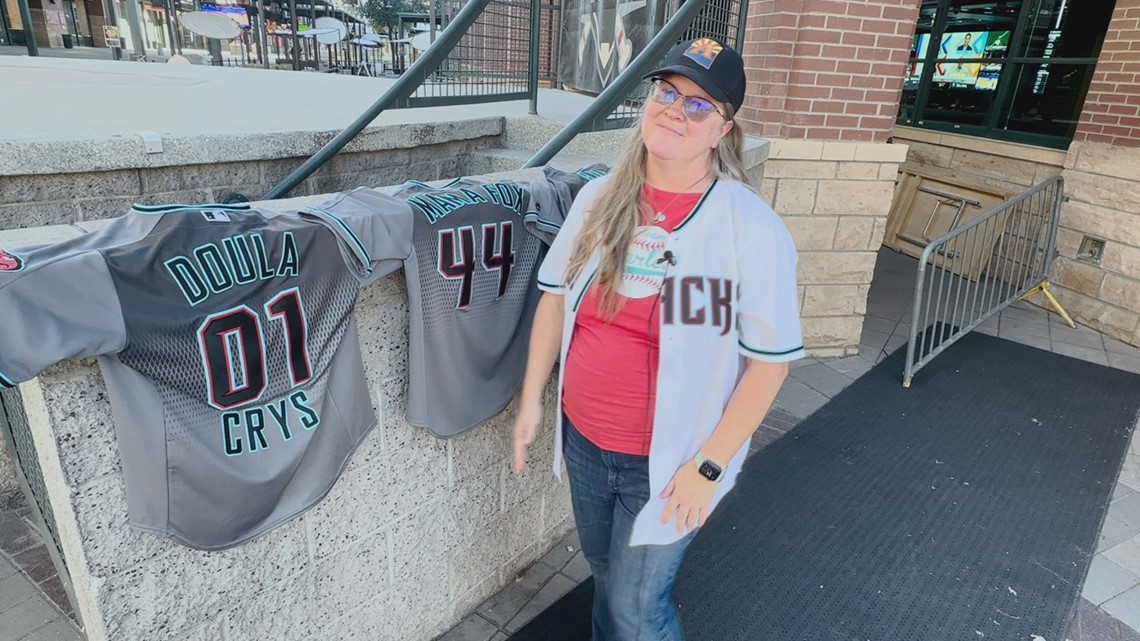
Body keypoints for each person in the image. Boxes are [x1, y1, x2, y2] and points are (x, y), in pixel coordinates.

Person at [511, 37, 805, 641]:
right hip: (586, 443)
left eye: (699, 105)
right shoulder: (599, 199)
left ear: (723, 130)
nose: (675, 109)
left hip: (672, 461)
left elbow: (769, 365)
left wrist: (709, 466)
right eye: (667, 93)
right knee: (604, 575)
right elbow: (556, 298)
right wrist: (532, 401)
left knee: (637, 608)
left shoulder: (749, 227)